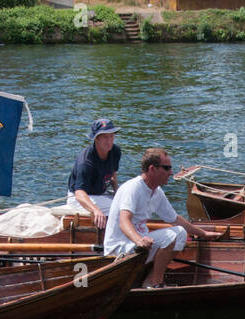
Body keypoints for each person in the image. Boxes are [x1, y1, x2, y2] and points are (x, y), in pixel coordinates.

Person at [103, 148, 219, 288]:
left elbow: (175, 219)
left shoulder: (156, 192)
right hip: (119, 248)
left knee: (181, 233)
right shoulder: (133, 188)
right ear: (152, 169)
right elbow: (124, 221)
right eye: (167, 168)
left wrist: (203, 233)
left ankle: (150, 280)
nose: (171, 172)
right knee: (169, 236)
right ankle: (156, 283)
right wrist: (139, 240)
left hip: (139, 245)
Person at [66, 118, 121, 229]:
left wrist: (118, 195)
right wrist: (95, 210)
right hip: (80, 198)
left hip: (100, 194)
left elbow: (113, 177)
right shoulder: (86, 161)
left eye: (111, 136)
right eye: (105, 137)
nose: (109, 141)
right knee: (120, 209)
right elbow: (79, 193)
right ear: (96, 139)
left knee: (128, 203)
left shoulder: (115, 151)